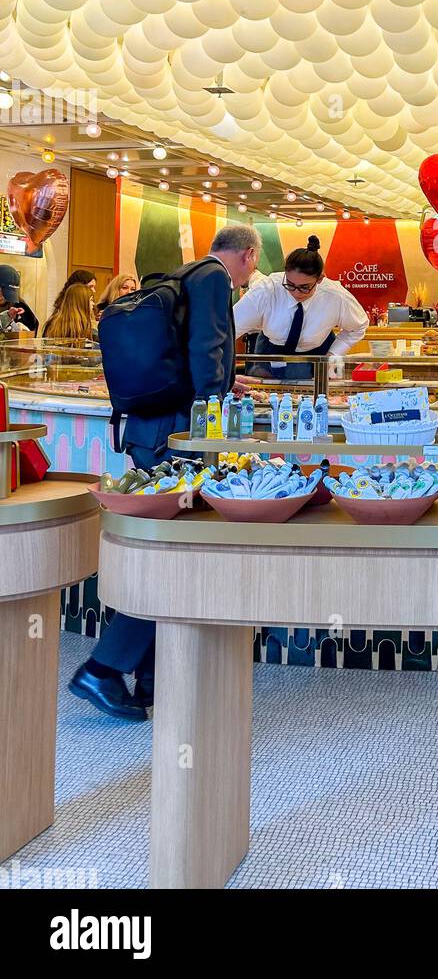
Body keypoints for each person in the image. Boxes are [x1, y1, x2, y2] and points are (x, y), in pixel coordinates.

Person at [68, 224, 260, 721]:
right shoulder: (215, 279)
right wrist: (214, 418)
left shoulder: (180, 274)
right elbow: (208, 350)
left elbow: (192, 354)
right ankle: (103, 669)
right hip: (180, 438)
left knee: (170, 549)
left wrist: (219, 382)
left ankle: (153, 677)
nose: (249, 276)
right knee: (176, 556)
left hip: (147, 431)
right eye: (252, 265)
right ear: (247, 254)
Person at [234, 236, 367, 380]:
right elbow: (231, 326)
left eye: (305, 287)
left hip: (316, 354)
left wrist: (333, 355)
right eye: (290, 285)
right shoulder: (267, 290)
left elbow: (358, 327)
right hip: (270, 351)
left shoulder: (336, 296)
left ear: (320, 279)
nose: (296, 292)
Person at [0, 263, 39, 334]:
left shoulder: (18, 303)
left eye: (7, 294)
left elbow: (33, 324)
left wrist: (8, 316)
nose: (2, 297)